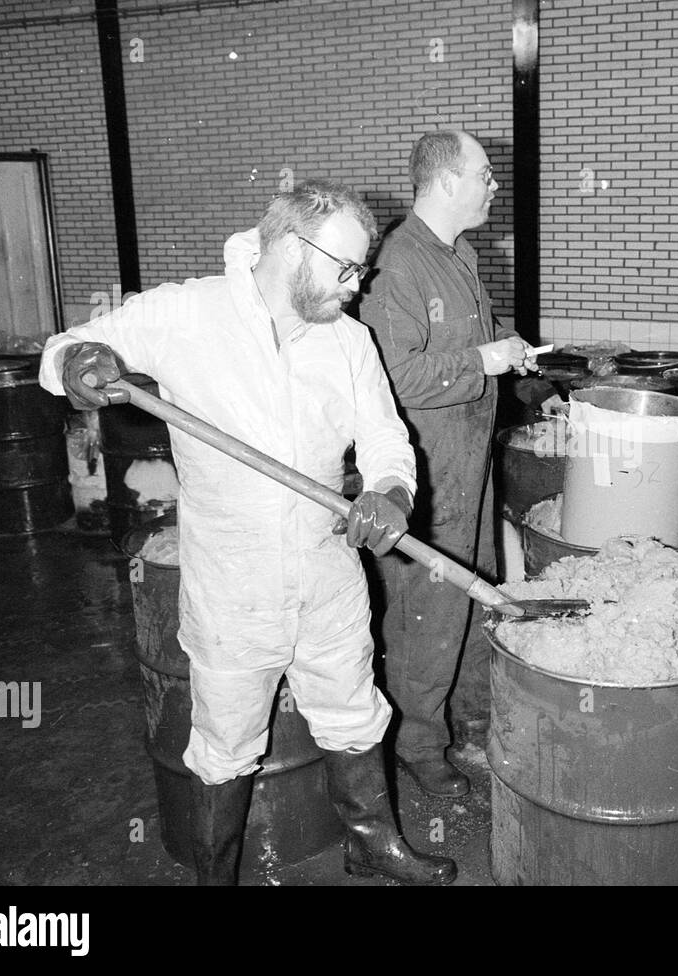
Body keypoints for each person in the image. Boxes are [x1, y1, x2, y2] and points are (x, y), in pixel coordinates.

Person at [38, 180, 457, 886]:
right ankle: (215, 876)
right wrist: (79, 365)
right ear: (294, 246)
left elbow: (388, 439)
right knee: (224, 744)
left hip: (327, 574)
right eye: (346, 268)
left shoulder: (348, 342)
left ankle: (370, 845)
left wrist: (391, 490)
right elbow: (67, 348)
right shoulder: (190, 313)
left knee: (354, 714)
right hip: (233, 588)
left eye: (362, 270)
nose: (356, 287)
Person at [361, 131, 536, 798]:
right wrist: (481, 363)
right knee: (428, 609)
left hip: (471, 464)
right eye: (484, 174)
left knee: (475, 590)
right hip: (427, 473)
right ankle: (417, 743)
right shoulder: (398, 265)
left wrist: (506, 348)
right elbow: (393, 378)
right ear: (443, 183)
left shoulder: (458, 255)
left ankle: (469, 726)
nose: (494, 186)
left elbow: (473, 344)